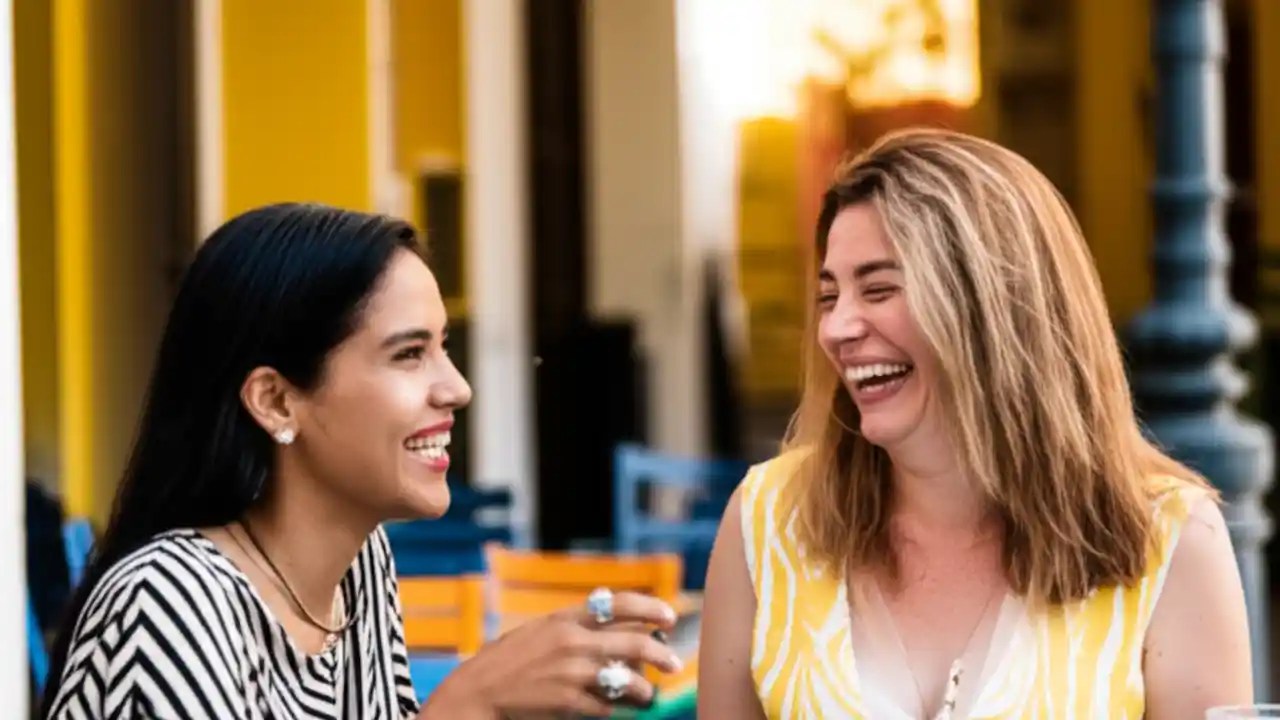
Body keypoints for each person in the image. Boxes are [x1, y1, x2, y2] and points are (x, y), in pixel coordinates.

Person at [42, 203, 682, 719]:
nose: (456, 387)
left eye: (443, 347)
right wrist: (467, 703)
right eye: (409, 354)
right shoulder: (169, 602)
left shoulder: (357, 571)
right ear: (275, 400)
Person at [698, 128, 1252, 719]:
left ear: (994, 306)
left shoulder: (1170, 537)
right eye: (830, 296)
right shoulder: (766, 520)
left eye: (879, 288)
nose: (836, 330)